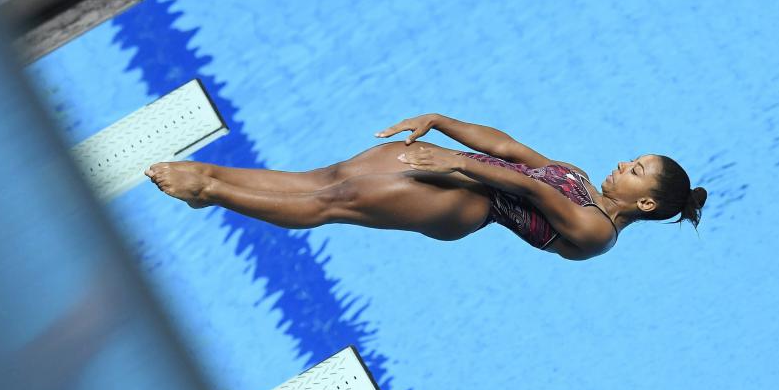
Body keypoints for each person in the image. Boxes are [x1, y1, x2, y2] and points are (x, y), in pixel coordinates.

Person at [145, 113, 706, 261]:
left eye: (633, 171)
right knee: (324, 178)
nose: (620, 165)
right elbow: (510, 149)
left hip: (465, 204)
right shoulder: (580, 178)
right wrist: (442, 121)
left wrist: (451, 162)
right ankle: (209, 179)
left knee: (330, 204)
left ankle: (211, 191)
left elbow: (527, 190)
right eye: (632, 160)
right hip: (462, 170)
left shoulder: (598, 231)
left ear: (647, 202)